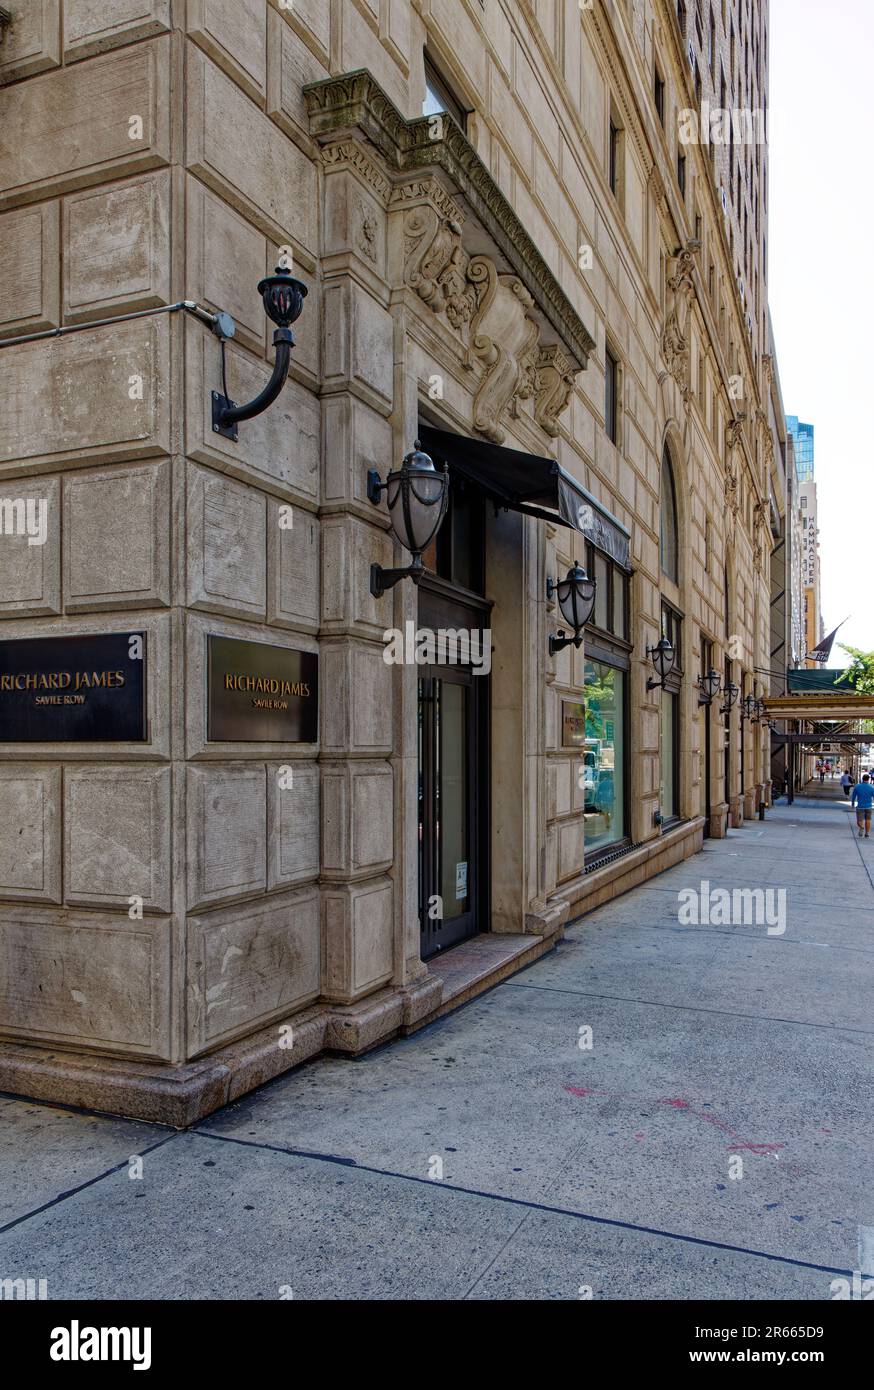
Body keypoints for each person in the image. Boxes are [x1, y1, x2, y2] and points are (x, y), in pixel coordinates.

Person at [851, 774, 874, 839]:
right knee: (868, 820)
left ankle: (861, 827)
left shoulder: (857, 786)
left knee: (859, 821)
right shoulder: (872, 787)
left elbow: (853, 796)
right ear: (868, 779)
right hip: (868, 806)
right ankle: (867, 834)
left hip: (860, 806)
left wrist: (852, 803)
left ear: (862, 779)